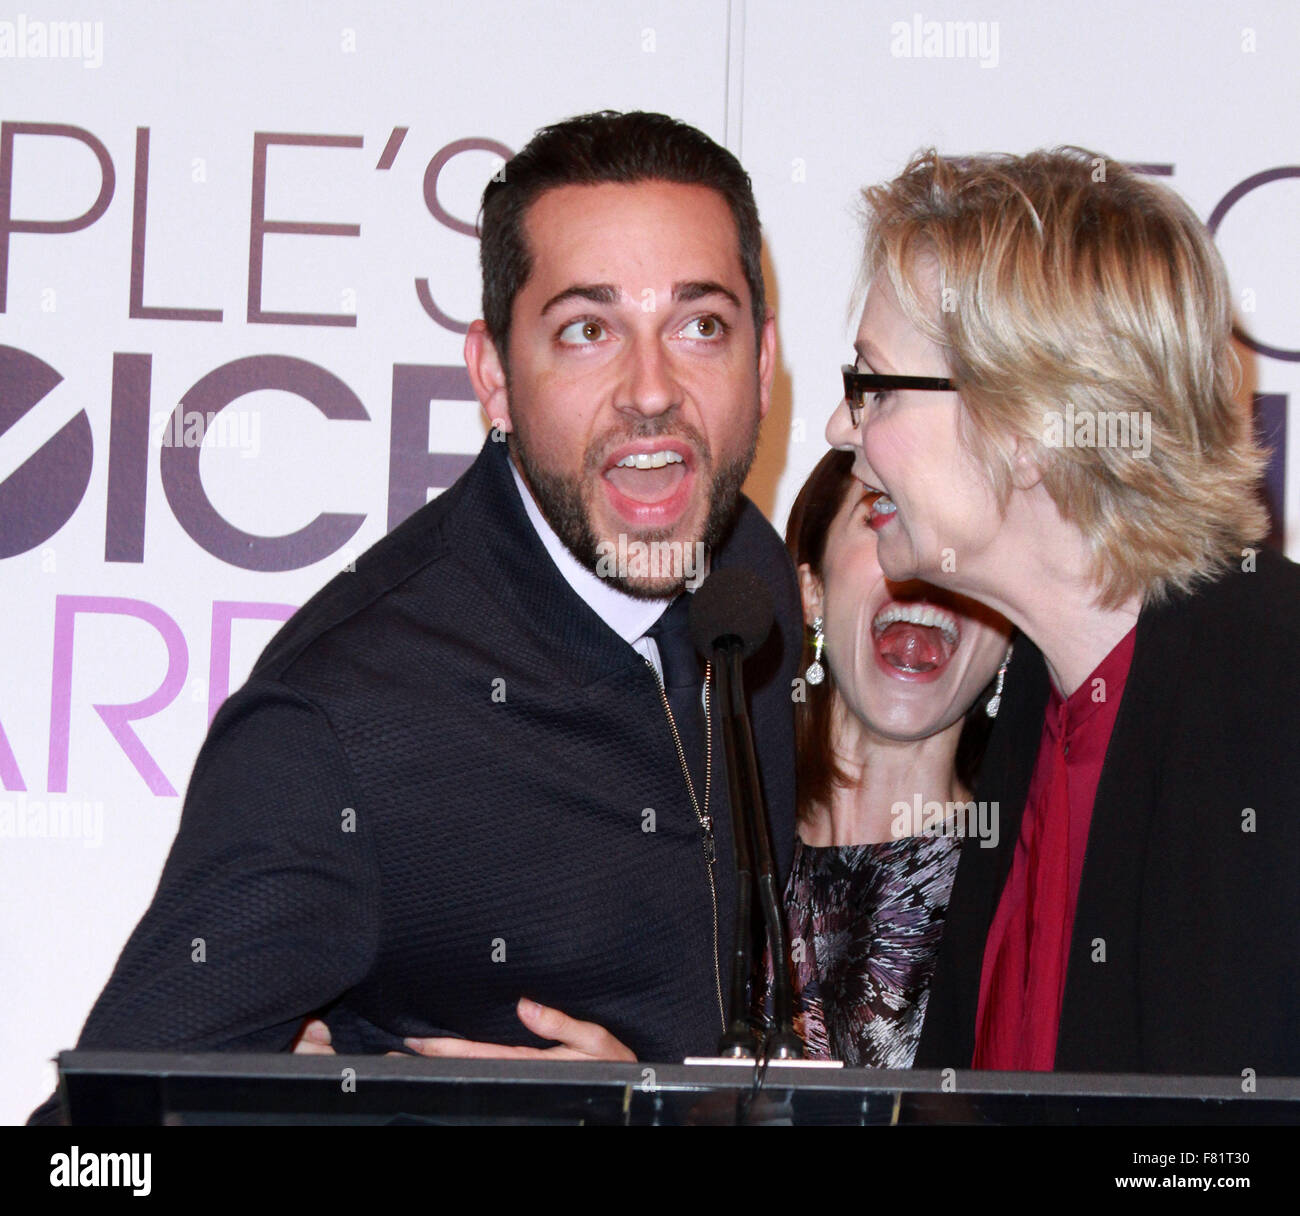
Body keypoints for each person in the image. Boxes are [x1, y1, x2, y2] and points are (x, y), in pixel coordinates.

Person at [29, 111, 804, 1121]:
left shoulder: (749, 573)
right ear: (492, 375)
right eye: (586, 330)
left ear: (761, 357)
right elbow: (89, 1146)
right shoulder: (349, 718)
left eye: (700, 325)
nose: (651, 393)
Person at [827, 146, 1300, 1075]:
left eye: (876, 385)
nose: (844, 426)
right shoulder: (1041, 691)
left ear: (1029, 424)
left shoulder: (1270, 692)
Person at [757, 448, 1011, 1066]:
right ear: (811, 589)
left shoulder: (1031, 881)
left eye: (964, 530)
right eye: (886, 511)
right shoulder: (713, 850)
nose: (924, 559)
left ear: (1010, 625)